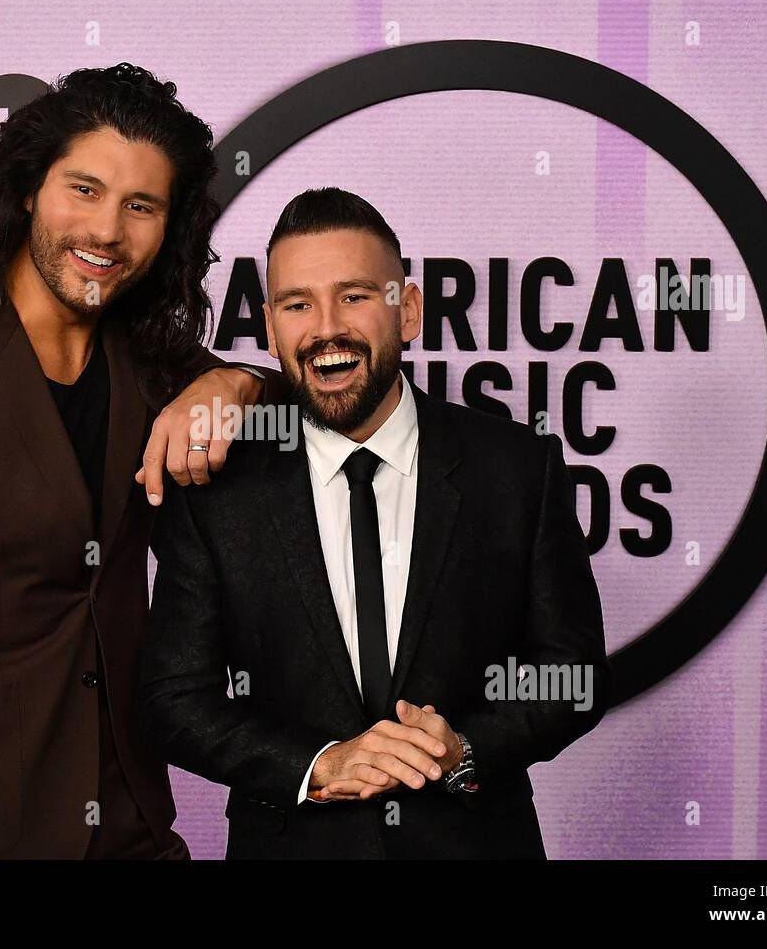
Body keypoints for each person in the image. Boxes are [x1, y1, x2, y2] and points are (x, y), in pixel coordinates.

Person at [0, 63, 271, 859]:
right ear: (29, 189)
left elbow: (319, 409)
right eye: (85, 190)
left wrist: (234, 383)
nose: (106, 232)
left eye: (141, 206)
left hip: (130, 825)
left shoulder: (152, 368)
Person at [139, 187, 612, 858]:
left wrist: (464, 751)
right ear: (271, 331)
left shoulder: (515, 467)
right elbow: (174, 699)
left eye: (355, 295)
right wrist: (321, 763)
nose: (327, 327)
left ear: (408, 310)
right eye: (298, 304)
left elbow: (574, 674)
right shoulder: (216, 490)